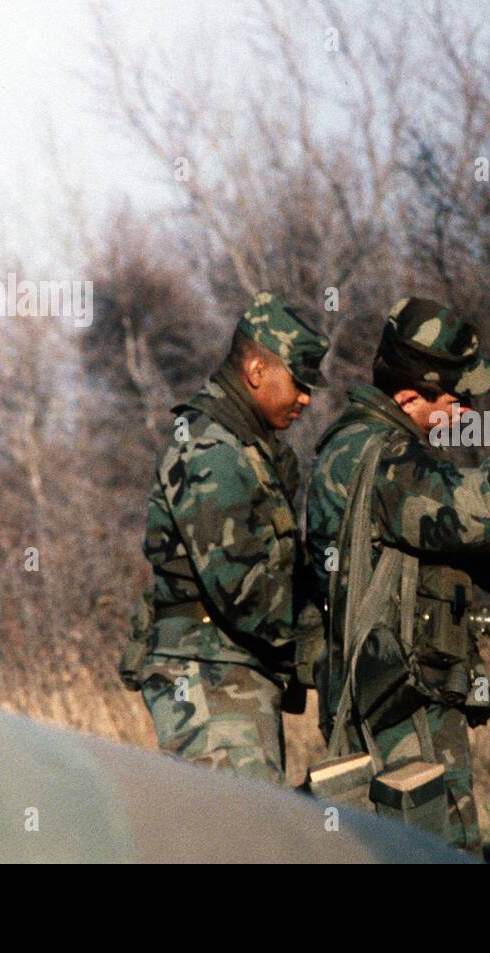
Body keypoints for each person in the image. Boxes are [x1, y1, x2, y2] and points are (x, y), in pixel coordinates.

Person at [305, 296, 490, 852]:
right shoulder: (385, 459)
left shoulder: (356, 448)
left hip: (389, 701)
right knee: (440, 846)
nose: (469, 415)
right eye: (458, 400)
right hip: (401, 711)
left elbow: (471, 550)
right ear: (407, 397)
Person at [119, 290, 328, 784]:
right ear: (257, 371)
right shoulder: (211, 448)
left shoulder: (248, 448)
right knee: (239, 839)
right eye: (298, 383)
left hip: (230, 669)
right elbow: (242, 587)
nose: (307, 398)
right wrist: (320, 646)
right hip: (207, 674)